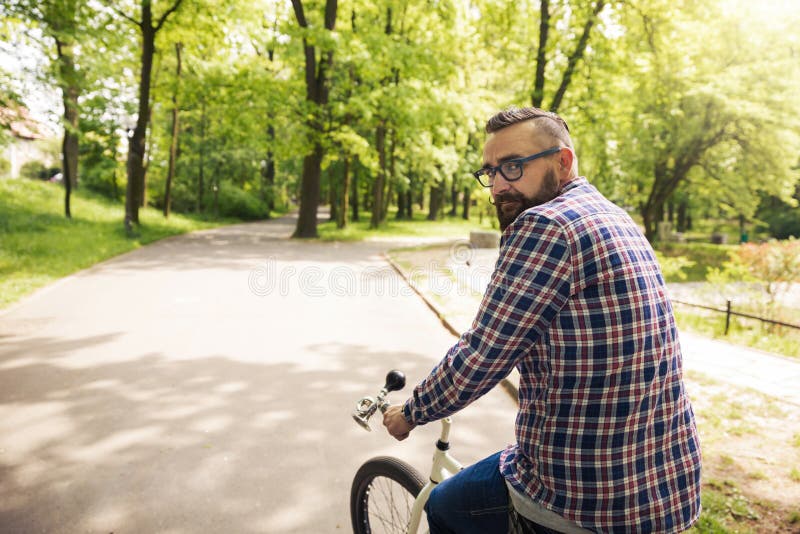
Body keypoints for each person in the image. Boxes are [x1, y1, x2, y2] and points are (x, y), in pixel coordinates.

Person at [383, 106, 702, 533]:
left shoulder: (545, 225)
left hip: (584, 495)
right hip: (665, 484)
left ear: (562, 161)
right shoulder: (615, 216)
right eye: (490, 171)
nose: (497, 185)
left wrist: (412, 411)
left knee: (444, 504)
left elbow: (483, 354)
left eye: (512, 167)